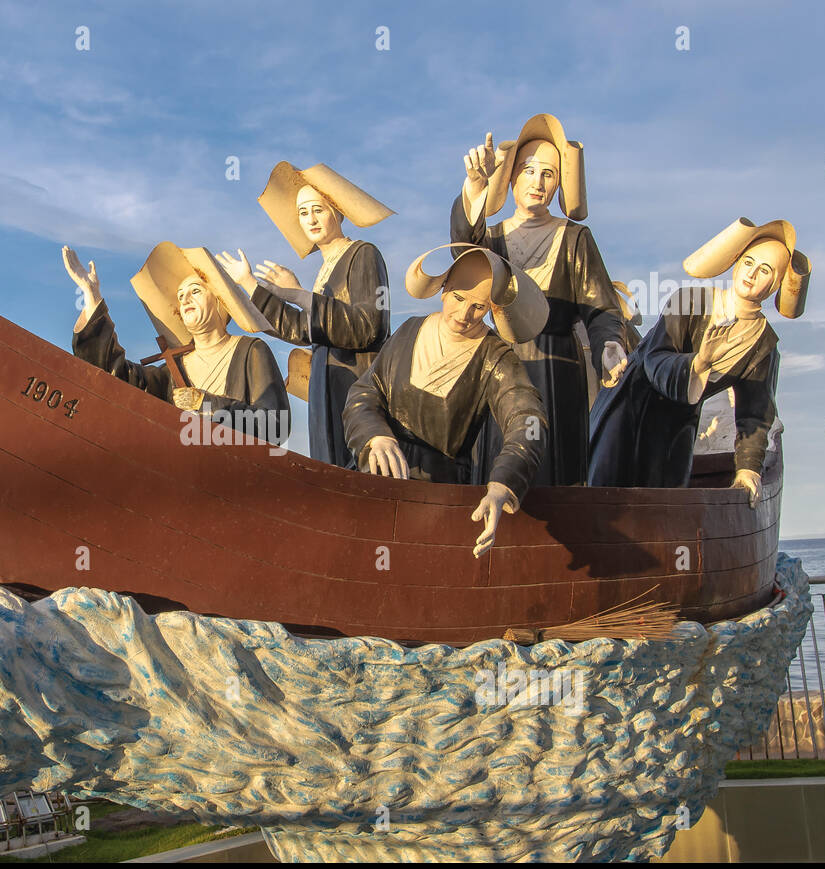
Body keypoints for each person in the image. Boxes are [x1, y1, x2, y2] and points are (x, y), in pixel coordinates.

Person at [450, 114, 628, 486]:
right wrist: (474, 186)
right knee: (498, 466)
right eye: (529, 170)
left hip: (557, 368)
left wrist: (609, 344)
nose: (538, 181)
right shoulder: (492, 238)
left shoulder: (576, 238)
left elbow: (601, 308)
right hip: (498, 365)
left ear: (559, 183)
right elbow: (462, 256)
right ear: (512, 176)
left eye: (549, 173)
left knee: (554, 472)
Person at [343, 244, 548, 557]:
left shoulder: (496, 357)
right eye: (459, 298)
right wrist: (376, 436)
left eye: (479, 307)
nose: (465, 315)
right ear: (444, 289)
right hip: (375, 481)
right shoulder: (409, 330)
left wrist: (503, 483)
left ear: (492, 309)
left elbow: (527, 420)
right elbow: (364, 393)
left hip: (438, 497)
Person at [588, 218, 810, 505]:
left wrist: (748, 468)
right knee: (606, 492)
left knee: (666, 504)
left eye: (765, 270)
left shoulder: (762, 343)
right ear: (736, 262)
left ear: (777, 282)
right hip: (629, 406)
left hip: (680, 422)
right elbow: (654, 361)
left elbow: (754, 413)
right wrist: (700, 363)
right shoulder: (690, 301)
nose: (752, 274)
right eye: (748, 262)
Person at [218, 161, 393, 467]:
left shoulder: (363, 253)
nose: (310, 219)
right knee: (333, 470)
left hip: (358, 384)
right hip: (326, 388)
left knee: (364, 470)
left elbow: (371, 326)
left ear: (337, 211)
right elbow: (301, 330)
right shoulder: (323, 273)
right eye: (302, 212)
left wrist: (300, 295)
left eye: (318, 209)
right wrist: (249, 283)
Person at [62, 242, 290, 445]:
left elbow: (275, 426)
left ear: (221, 303)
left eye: (196, 291)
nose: (185, 299)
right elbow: (115, 378)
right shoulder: (173, 369)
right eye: (180, 296)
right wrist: (91, 297)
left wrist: (205, 403)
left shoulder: (251, 351)